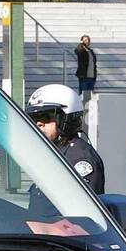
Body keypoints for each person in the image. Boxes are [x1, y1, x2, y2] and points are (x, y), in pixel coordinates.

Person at [25, 83, 104, 218]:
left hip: (63, 237)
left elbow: (83, 214)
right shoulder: (52, 153)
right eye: (34, 118)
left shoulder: (80, 158)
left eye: (46, 117)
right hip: (38, 234)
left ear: (66, 120)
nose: (39, 123)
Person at [75, 35, 98, 100]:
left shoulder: (91, 51)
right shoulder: (80, 49)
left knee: (90, 97)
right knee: (83, 96)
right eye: (85, 40)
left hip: (91, 77)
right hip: (84, 77)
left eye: (88, 40)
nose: (87, 41)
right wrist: (81, 44)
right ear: (82, 41)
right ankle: (81, 109)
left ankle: (89, 109)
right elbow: (77, 51)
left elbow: (94, 63)